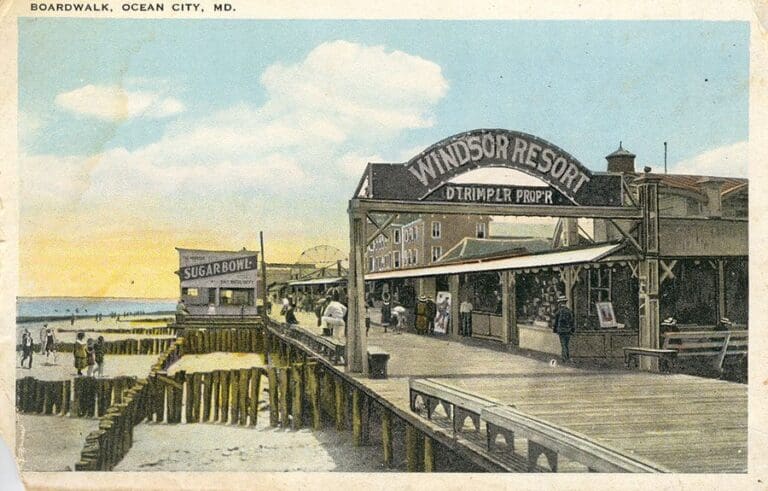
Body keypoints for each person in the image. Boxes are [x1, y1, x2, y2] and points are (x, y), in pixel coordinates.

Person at [552, 295, 575, 362]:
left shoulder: (558, 312)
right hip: (568, 330)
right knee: (566, 344)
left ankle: (565, 358)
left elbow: (556, 322)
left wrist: (555, 329)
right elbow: (572, 321)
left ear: (560, 303)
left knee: (563, 344)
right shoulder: (569, 311)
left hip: (561, 330)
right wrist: (572, 329)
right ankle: (566, 356)